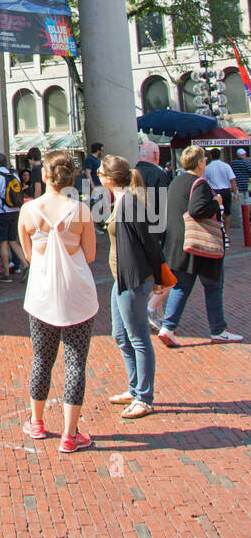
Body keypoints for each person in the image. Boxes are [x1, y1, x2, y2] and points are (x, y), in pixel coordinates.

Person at [18, 149, 99, 453]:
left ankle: (37, 422)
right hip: (76, 291)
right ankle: (70, 433)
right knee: (76, 362)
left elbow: (27, 253)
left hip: (41, 291)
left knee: (42, 358)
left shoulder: (29, 210)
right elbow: (89, 255)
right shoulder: (81, 211)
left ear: (45, 175)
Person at [97, 155, 165, 419]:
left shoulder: (130, 204)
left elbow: (150, 243)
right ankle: (135, 387)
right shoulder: (123, 201)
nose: (98, 176)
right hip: (121, 278)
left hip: (132, 278)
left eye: (101, 173)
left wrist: (160, 278)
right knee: (120, 335)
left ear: (109, 179)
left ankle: (144, 397)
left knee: (138, 338)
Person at [156, 146, 242, 346]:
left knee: (181, 286)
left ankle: (168, 327)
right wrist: (216, 200)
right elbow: (197, 210)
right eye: (204, 160)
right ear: (200, 163)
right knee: (213, 285)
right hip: (200, 246)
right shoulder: (200, 183)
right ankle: (218, 329)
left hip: (178, 246)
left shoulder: (176, 181)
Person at [0, 153, 28, 282]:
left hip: (2, 212)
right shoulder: (14, 175)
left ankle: (6, 273)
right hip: (15, 211)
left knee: (3, 242)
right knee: (13, 240)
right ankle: (26, 265)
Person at [134, 142, 171, 226]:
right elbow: (164, 203)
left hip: (134, 226)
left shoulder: (130, 173)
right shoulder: (159, 174)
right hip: (154, 226)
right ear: (155, 155)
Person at [204, 150, 237, 226]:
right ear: (220, 155)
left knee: (216, 212)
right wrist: (235, 193)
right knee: (227, 212)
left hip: (214, 192)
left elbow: (203, 180)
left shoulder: (208, 167)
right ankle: (227, 233)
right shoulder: (226, 166)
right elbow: (232, 180)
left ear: (211, 156)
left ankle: (219, 231)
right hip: (226, 191)